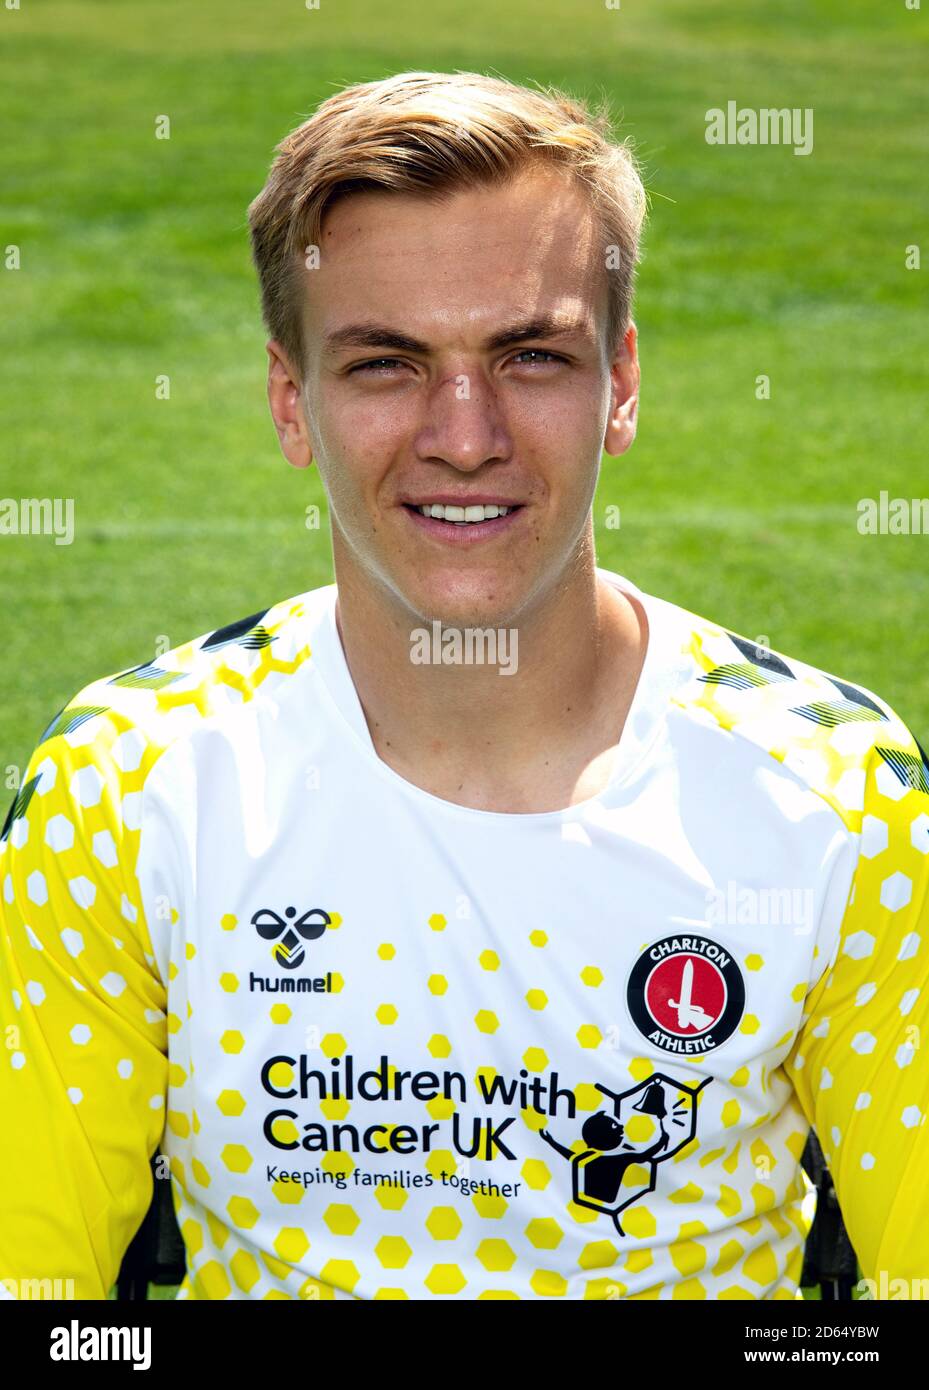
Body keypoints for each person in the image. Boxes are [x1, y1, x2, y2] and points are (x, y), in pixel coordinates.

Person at [1, 70, 926, 1302]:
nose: (464, 435)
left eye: (530, 356)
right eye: (386, 364)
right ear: (291, 400)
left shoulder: (835, 791)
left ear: (623, 382)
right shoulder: (128, 785)